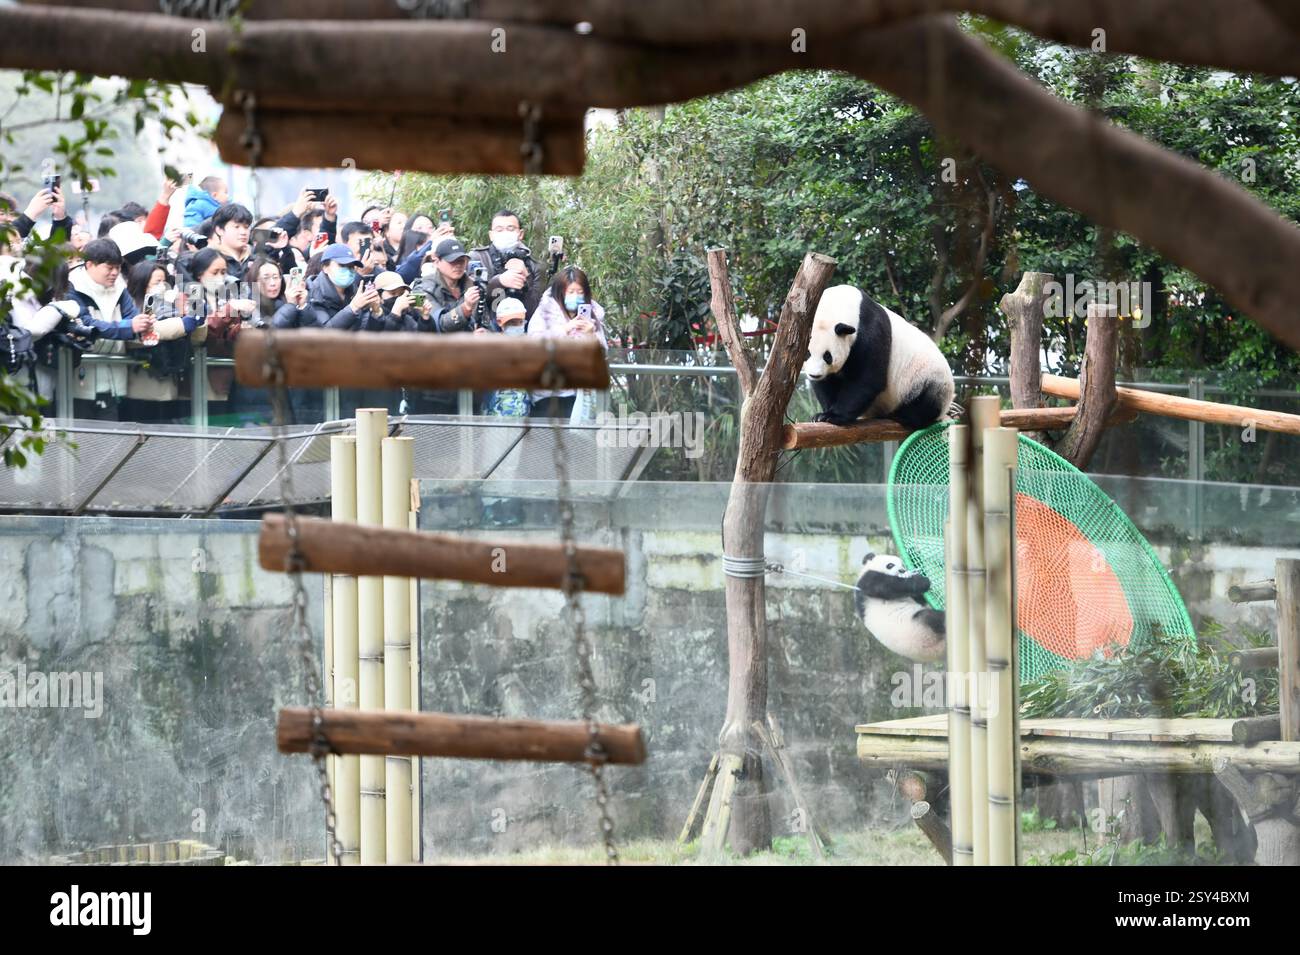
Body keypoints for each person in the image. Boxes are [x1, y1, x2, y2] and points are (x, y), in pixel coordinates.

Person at [61, 238, 155, 419]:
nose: (114, 273)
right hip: (79, 375)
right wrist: (129, 327)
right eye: (109, 268)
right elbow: (85, 324)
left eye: (118, 268)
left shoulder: (120, 287)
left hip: (113, 374)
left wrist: (141, 323)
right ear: (89, 265)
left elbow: (132, 316)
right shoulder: (71, 286)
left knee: (111, 436)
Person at [121, 261, 202, 422]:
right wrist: (186, 323)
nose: (163, 287)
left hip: (169, 385)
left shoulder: (173, 307)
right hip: (142, 386)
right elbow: (147, 332)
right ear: (142, 284)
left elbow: (198, 335)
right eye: (157, 282)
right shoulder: (132, 308)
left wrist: (195, 311)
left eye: (165, 282)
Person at [527, 266, 607, 418]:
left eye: (580, 292)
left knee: (578, 439)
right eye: (571, 292)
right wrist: (565, 329)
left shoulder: (593, 317)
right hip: (549, 394)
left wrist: (590, 335)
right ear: (561, 292)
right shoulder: (545, 313)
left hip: (581, 393)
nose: (576, 296)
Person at [469, 209, 543, 318]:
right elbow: (472, 298)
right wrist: (498, 281)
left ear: (520, 234)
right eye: (499, 230)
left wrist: (526, 277)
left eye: (510, 229)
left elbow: (537, 309)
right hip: (488, 329)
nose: (505, 233)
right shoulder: (478, 257)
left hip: (523, 328)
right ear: (491, 235)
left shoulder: (533, 265)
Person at [3, 185, 74, 242]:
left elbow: (56, 251)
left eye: (11, 214)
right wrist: (30, 213)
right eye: (2, 213)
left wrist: (60, 219)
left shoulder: (26, 246)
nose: (8, 218)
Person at [209, 202, 255, 281]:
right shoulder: (208, 259)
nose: (243, 232)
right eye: (236, 227)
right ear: (219, 230)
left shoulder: (255, 256)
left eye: (246, 227)